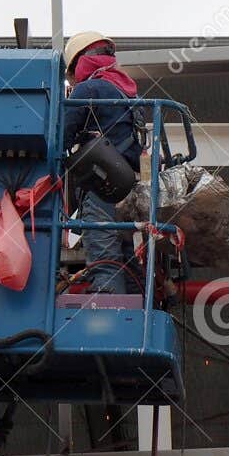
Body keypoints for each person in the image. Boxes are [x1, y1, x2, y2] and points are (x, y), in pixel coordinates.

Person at [61, 31, 143, 294]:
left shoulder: (89, 89)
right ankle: (137, 316)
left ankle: (109, 319)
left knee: (105, 260)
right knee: (127, 258)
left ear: (79, 64)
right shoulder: (128, 93)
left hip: (102, 189)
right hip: (129, 189)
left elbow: (60, 136)